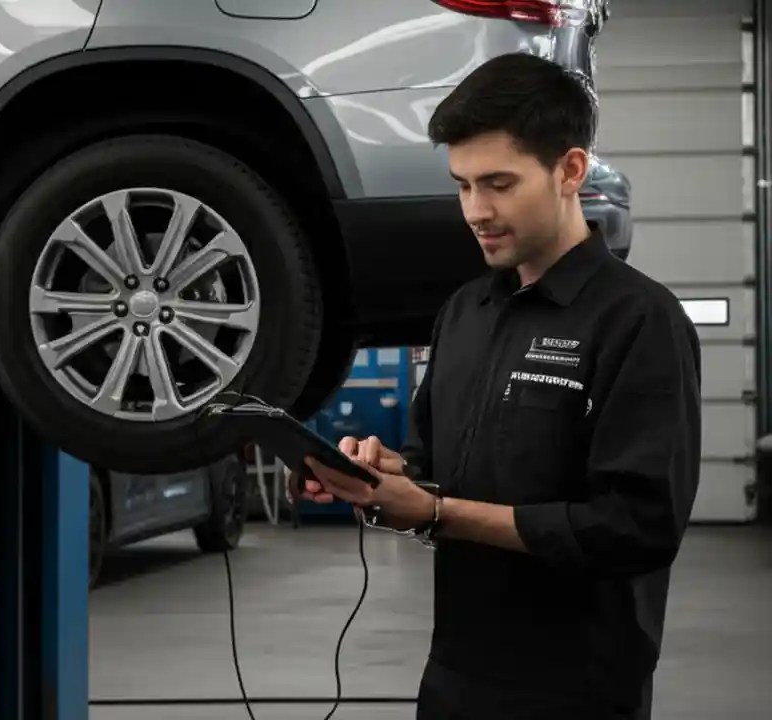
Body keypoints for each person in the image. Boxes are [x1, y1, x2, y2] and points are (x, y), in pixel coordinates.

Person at [294, 53, 702, 720]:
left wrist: (433, 512)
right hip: (455, 675)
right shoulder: (464, 313)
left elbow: (638, 527)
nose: (476, 211)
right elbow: (435, 472)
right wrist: (381, 477)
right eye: (462, 185)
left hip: (578, 689)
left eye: (499, 184)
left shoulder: (640, 320)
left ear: (570, 170)